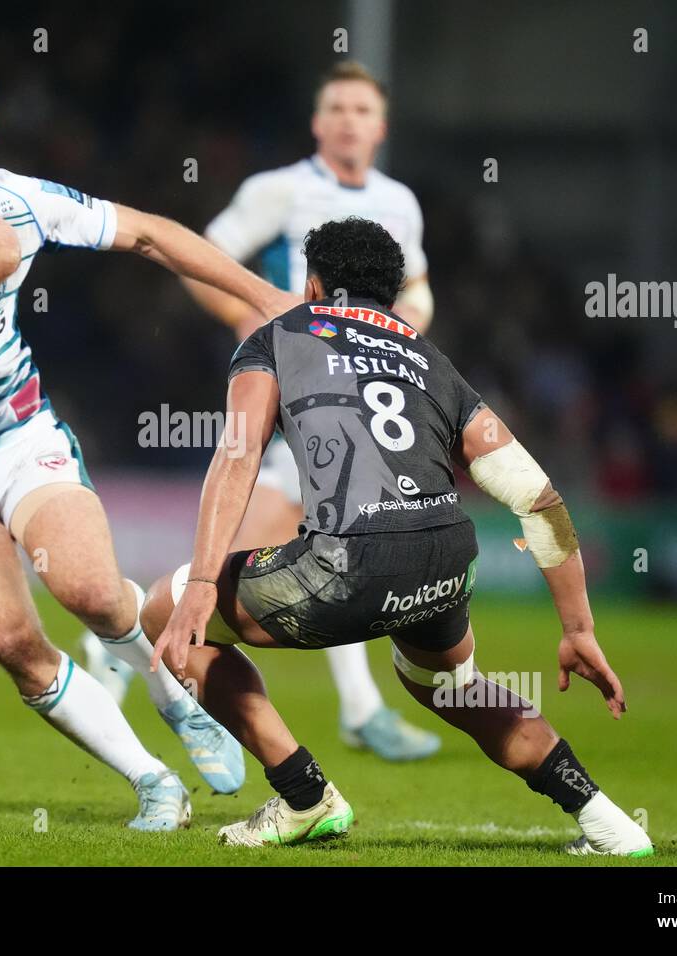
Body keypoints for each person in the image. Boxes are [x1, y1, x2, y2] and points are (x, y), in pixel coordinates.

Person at [0, 63, 301, 827]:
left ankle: (182, 707)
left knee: (90, 592)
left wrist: (264, 297)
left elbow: (149, 235)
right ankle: (154, 781)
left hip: (20, 438)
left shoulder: (21, 198)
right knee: (14, 642)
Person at [142, 217, 653, 856]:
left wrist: (201, 585)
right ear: (392, 293)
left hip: (348, 562)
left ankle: (304, 797)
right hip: (446, 560)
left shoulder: (280, 335)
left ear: (314, 283)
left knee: (163, 608)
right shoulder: (431, 361)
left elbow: (239, 455)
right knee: (452, 687)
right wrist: (578, 630)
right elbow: (538, 498)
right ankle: (607, 821)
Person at [85, 63, 440, 762]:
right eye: (335, 107)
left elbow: (419, 284)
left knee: (331, 531)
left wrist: (402, 334)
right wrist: (261, 332)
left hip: (352, 399)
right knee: (283, 545)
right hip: (297, 394)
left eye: (361, 109)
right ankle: (122, 638)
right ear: (317, 122)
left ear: (381, 125)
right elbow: (202, 261)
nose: (347, 119)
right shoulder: (280, 191)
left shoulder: (400, 201)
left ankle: (356, 706)